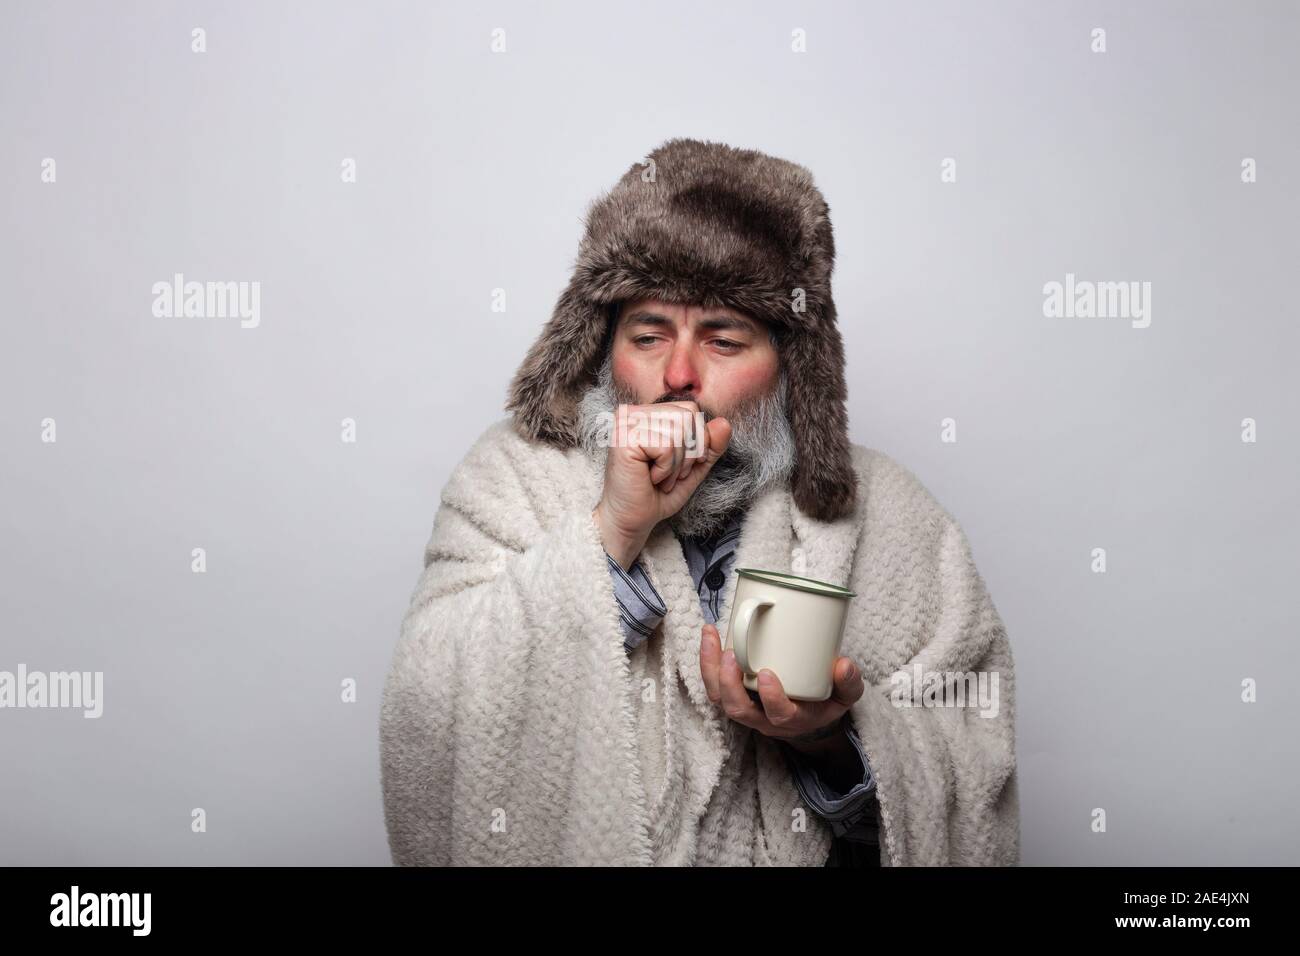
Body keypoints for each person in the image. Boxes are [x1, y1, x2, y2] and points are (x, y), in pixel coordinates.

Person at [379, 137, 1020, 866]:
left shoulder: (896, 519)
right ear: (600, 348)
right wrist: (612, 532)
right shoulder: (508, 480)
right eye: (647, 335)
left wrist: (825, 741)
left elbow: (974, 772)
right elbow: (425, 717)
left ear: (791, 372)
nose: (677, 374)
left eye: (724, 339)